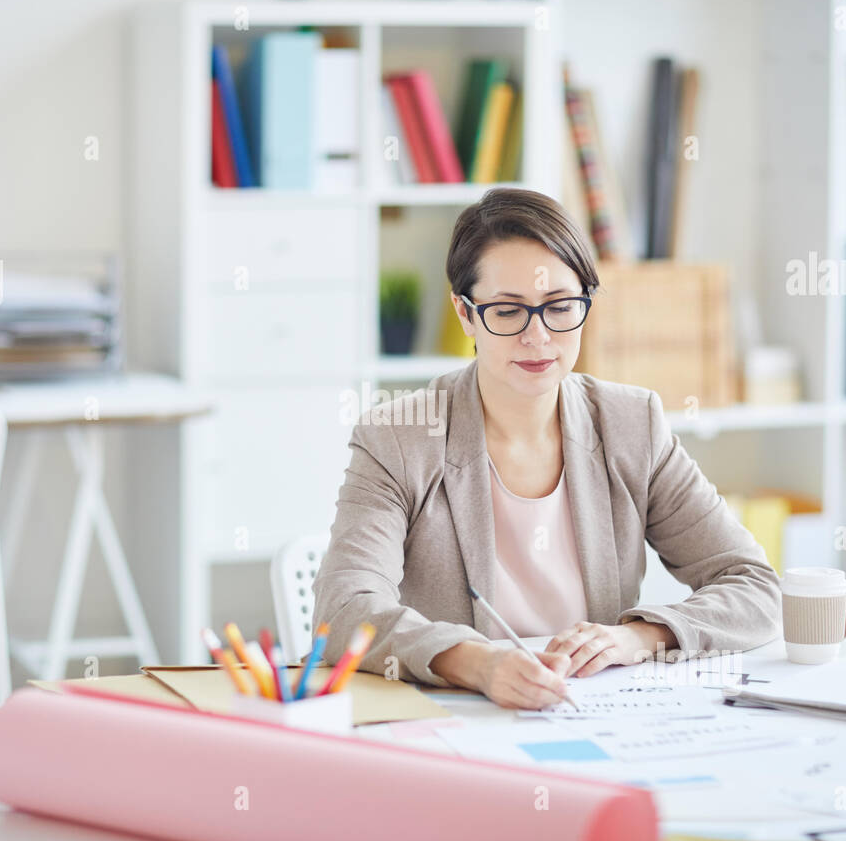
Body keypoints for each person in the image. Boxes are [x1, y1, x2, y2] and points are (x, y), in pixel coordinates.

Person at [312, 187, 780, 710]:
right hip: (460, 715)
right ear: (465, 314)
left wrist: (641, 637)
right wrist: (477, 662)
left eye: (559, 307)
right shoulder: (398, 437)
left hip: (596, 714)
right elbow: (344, 608)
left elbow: (754, 586)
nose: (538, 337)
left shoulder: (632, 424)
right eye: (508, 312)